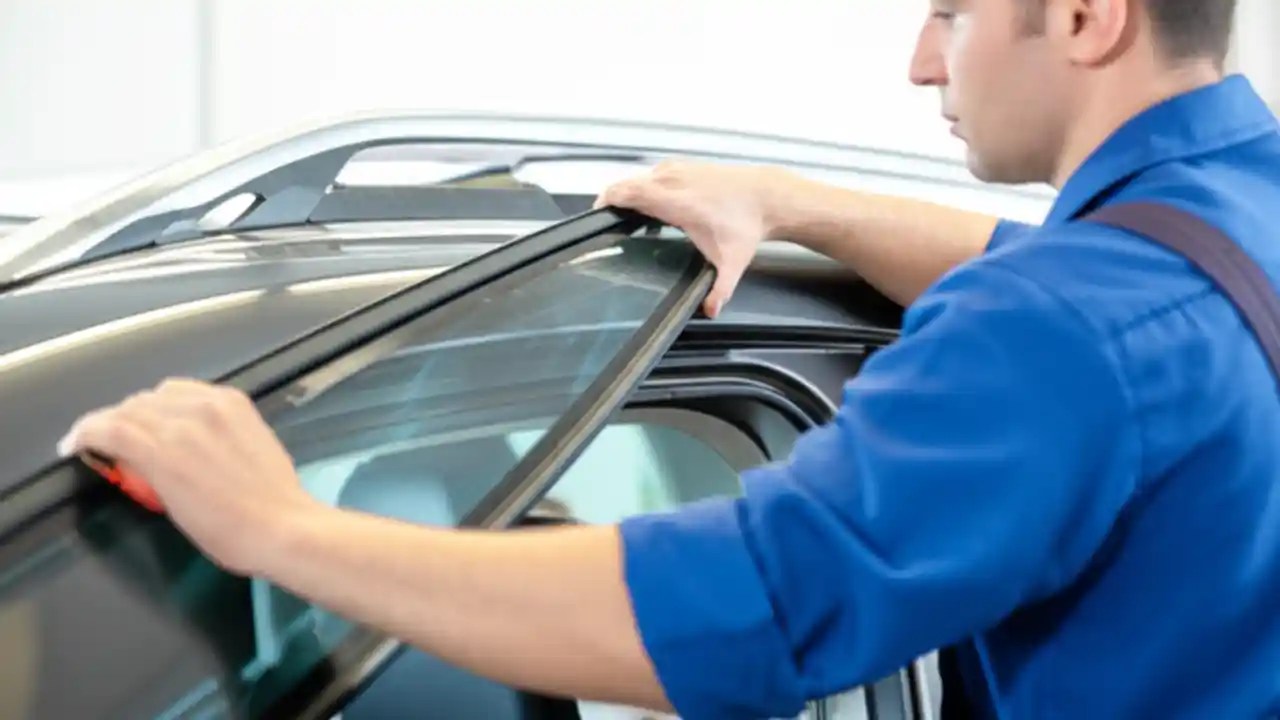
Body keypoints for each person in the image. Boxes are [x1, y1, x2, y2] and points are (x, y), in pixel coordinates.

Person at [57, 0, 1280, 717]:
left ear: (1083, 17)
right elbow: (1061, 287)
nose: (919, 58)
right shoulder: (1235, 219)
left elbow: (750, 611)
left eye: (951, 10)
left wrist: (280, 530)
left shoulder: (1060, 328)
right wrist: (801, 207)